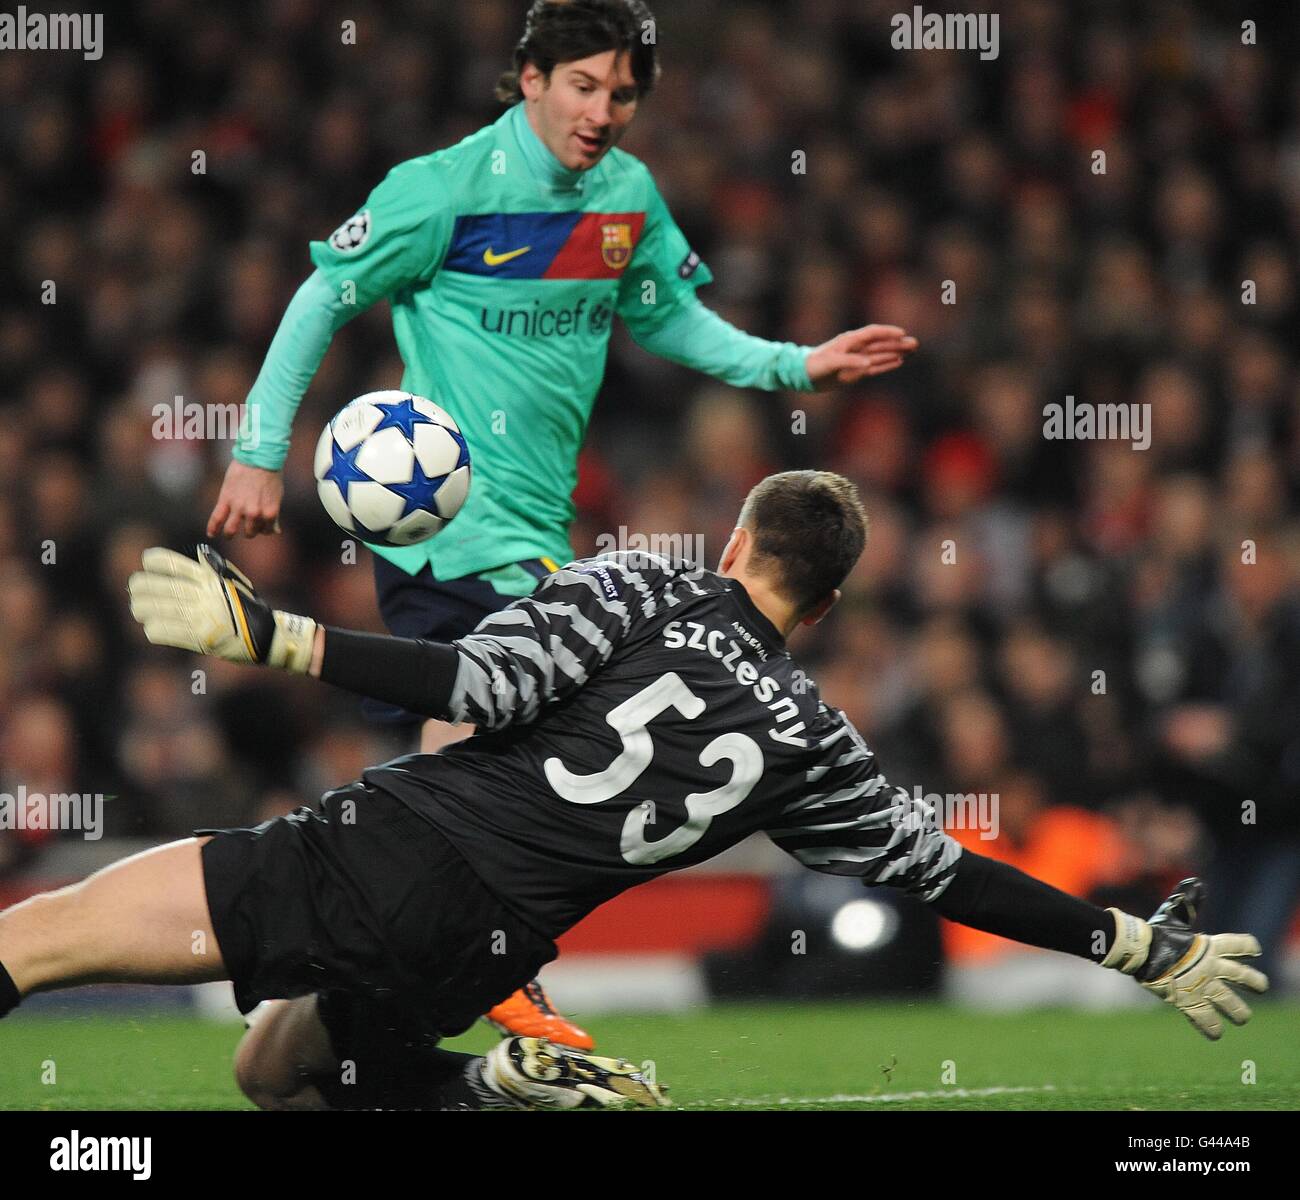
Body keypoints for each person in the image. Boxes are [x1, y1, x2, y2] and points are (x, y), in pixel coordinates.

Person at [0, 471, 1266, 1110]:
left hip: (393, 853)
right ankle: (491, 1087)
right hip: (485, 943)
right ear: (822, 609)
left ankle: (490, 1087)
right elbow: (942, 872)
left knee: (33, 941)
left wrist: (280, 638)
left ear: (731, 546)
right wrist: (1133, 943)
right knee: (274, 1071)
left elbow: (479, 688)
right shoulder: (813, 737)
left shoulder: (640, 585)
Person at [205, 0, 917, 1047]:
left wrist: (795, 364)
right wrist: (260, 450)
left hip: (541, 524)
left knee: (501, 735)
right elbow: (323, 294)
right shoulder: (440, 191)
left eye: (622, 93)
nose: (602, 111)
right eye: (583, 85)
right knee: (523, 718)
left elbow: (667, 315)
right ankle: (473, 949)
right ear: (530, 78)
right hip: (446, 512)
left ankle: (363, 937)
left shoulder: (625, 198)